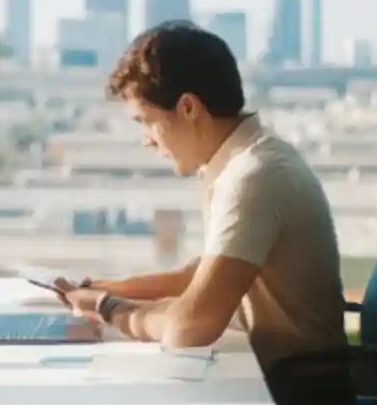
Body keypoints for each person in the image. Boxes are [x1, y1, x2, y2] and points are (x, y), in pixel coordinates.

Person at [53, 21, 347, 370]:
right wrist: (103, 288)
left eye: (146, 121)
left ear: (189, 107)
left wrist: (109, 308)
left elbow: (188, 327)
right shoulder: (240, 158)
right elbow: (200, 277)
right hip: (274, 375)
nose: (147, 139)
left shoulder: (253, 176)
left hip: (301, 395)